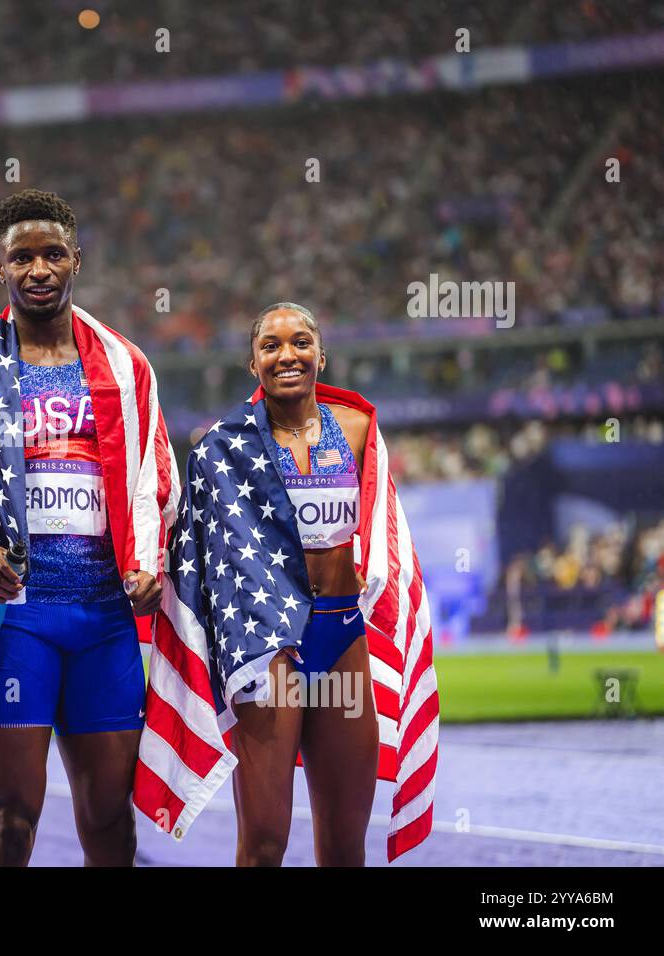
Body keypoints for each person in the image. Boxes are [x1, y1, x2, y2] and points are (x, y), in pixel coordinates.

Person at [0, 189, 177, 866]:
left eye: (52, 254)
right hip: (15, 615)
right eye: (22, 257)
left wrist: (149, 562)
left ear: (76, 260)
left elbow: (152, 477)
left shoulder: (125, 367)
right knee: (11, 822)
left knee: (108, 822)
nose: (38, 269)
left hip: (104, 613)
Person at [227, 302, 378, 865]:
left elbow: (381, 527)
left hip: (341, 636)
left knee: (344, 846)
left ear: (321, 353)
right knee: (264, 843)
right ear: (253, 364)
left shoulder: (360, 430)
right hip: (271, 646)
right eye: (270, 345)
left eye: (299, 342)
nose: (286, 354)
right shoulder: (230, 446)